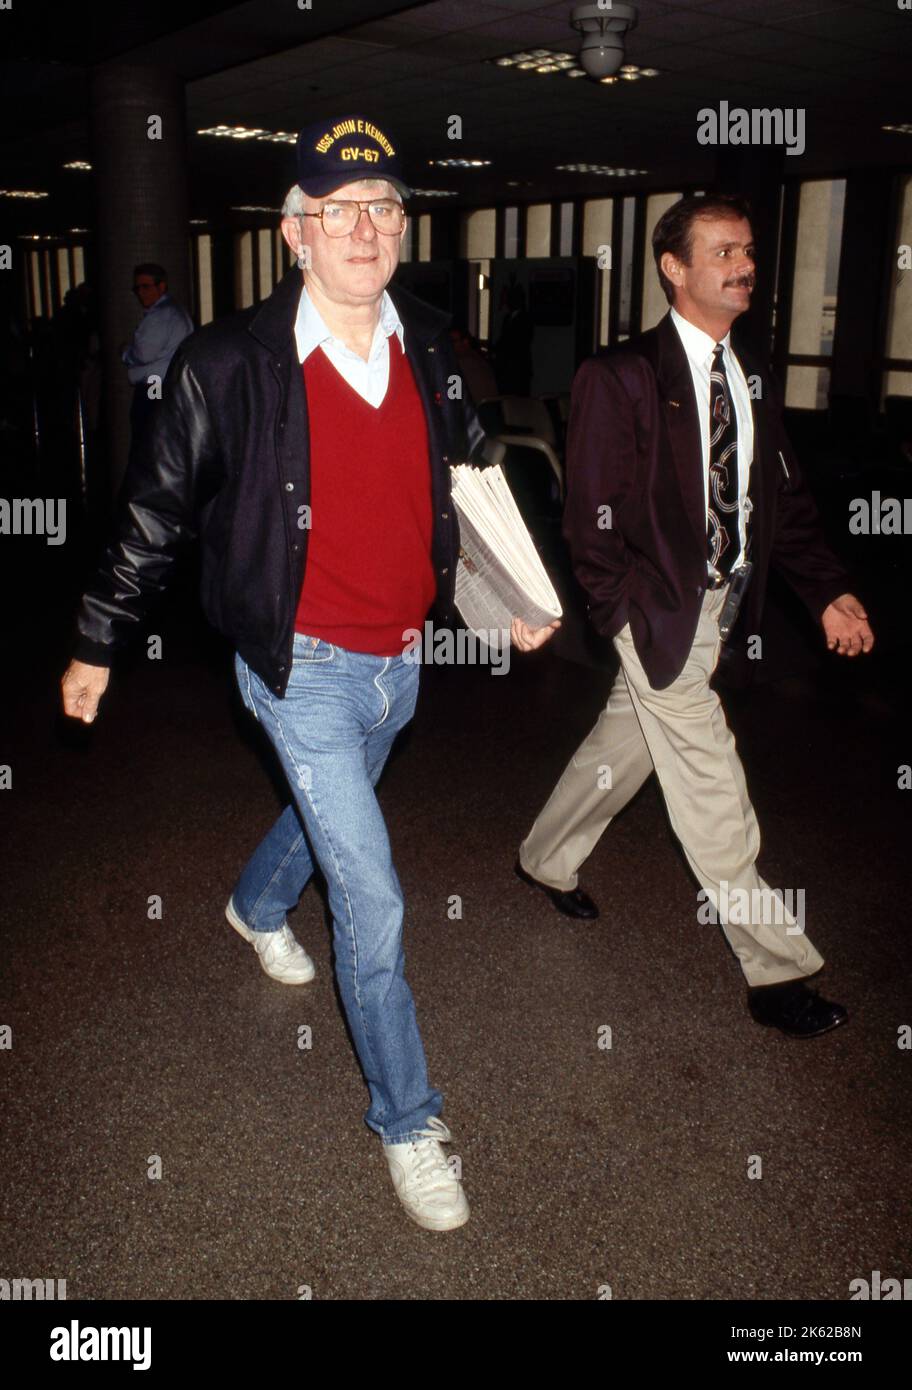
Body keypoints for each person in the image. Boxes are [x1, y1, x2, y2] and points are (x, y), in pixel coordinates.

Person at [61, 114, 554, 1231]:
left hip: (403, 658)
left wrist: (509, 599)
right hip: (301, 664)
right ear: (296, 233)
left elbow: (468, 480)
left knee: (333, 815)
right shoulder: (227, 361)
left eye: (384, 207)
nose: (365, 228)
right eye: (339, 209)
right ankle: (409, 1121)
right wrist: (97, 641)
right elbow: (154, 510)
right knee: (372, 898)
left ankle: (251, 903)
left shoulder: (429, 339)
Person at [516, 193, 873, 1040]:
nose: (742, 265)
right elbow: (589, 515)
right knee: (713, 787)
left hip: (721, 604)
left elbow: (778, 500)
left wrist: (825, 588)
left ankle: (544, 858)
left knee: (623, 746)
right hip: (655, 611)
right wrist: (619, 615)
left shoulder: (751, 374)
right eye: (721, 252)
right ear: (674, 268)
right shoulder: (623, 375)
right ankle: (777, 968)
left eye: (747, 250)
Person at [121, 262, 193, 446]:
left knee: (149, 433)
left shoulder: (161, 315)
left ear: (161, 286)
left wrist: (125, 353)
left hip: (155, 382)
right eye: (137, 288)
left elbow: (144, 354)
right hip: (168, 382)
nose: (141, 292)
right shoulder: (176, 311)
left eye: (146, 286)